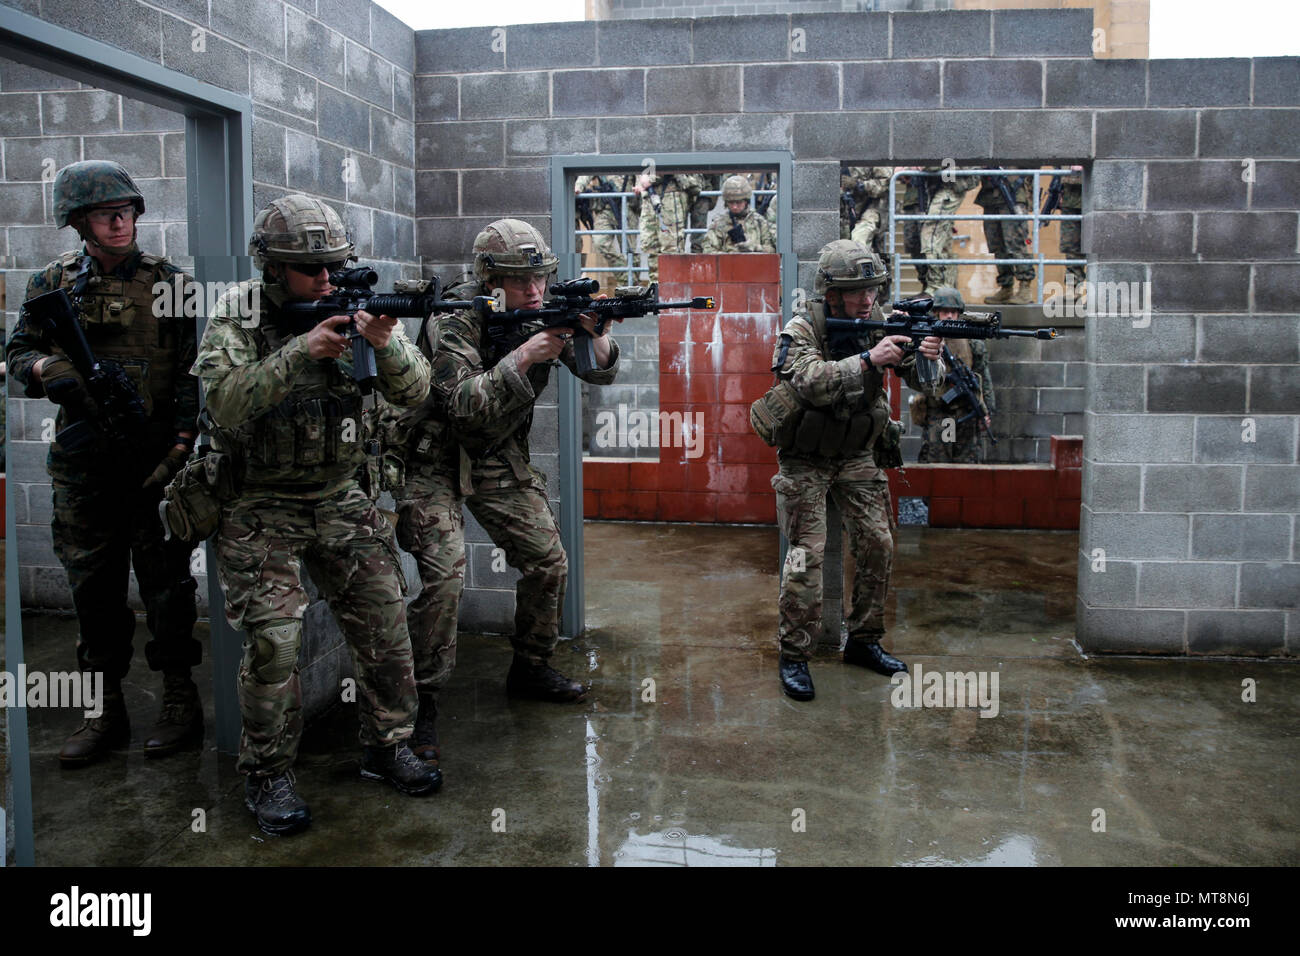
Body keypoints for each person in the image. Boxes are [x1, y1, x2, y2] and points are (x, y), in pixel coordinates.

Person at [193, 193, 438, 836]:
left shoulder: (358, 308)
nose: (329, 280)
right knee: (275, 643)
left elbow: (415, 394)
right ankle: (269, 772)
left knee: (387, 618)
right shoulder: (240, 314)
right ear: (275, 271)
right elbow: (222, 402)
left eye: (336, 266)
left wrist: (382, 344)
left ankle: (389, 744)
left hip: (339, 495)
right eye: (314, 271)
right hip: (259, 503)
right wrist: (303, 352)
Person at [386, 219, 622, 767]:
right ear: (490, 279)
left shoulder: (541, 309)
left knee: (549, 562)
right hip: (433, 460)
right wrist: (525, 355)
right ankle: (423, 703)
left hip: (495, 459)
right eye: (521, 282)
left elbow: (601, 376)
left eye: (540, 278)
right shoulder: (455, 318)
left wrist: (596, 335)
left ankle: (531, 665)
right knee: (445, 577)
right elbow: (459, 404)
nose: (535, 291)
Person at [7, 160, 203, 766]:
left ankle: (179, 699)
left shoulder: (173, 283)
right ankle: (103, 707)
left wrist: (178, 450)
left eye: (126, 211)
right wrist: (47, 370)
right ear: (79, 222)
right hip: (86, 463)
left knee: (167, 588)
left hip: (152, 459)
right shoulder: (52, 283)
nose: (119, 223)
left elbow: (196, 375)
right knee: (94, 590)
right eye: (103, 214)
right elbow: (16, 351)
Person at [766, 240, 943, 701]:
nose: (867, 299)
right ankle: (795, 654)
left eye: (872, 289)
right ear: (831, 291)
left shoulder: (880, 322)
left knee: (879, 544)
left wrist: (928, 355)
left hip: (858, 455)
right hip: (805, 456)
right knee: (807, 554)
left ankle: (864, 641)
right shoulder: (802, 327)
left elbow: (926, 384)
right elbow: (806, 381)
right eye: (856, 291)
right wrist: (868, 359)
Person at [912, 287, 994, 463]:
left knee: (967, 466)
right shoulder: (927, 340)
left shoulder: (972, 343)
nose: (949, 316)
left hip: (966, 413)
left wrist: (987, 411)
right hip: (938, 414)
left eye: (953, 312)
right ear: (936, 313)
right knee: (936, 464)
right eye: (944, 312)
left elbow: (983, 378)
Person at [910, 165, 979, 295]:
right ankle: (946, 287)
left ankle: (936, 286)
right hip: (942, 187)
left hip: (950, 187)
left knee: (930, 235)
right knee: (943, 241)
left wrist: (921, 166)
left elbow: (944, 159)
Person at [634, 171, 705, 282]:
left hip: (670, 197)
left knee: (671, 250)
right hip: (650, 198)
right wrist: (641, 183)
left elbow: (669, 162)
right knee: (650, 248)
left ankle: (672, 291)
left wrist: (650, 179)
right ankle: (656, 289)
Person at [977, 173, 1035, 305]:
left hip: (1013, 194)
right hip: (990, 196)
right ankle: (1006, 287)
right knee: (996, 244)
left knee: (1016, 242)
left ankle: (1025, 287)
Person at [575, 174, 636, 282]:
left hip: (626, 208)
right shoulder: (599, 158)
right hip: (604, 209)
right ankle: (625, 277)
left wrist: (640, 187)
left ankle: (633, 284)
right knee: (599, 242)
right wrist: (579, 187)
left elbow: (641, 176)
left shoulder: (629, 158)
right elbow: (586, 172)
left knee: (630, 251)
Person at [699, 175, 777, 254]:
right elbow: (708, 250)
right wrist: (730, 256)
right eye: (731, 202)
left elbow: (772, 250)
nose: (735, 207)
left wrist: (754, 247)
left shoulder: (759, 222)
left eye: (739, 202)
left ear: (746, 201)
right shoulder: (719, 223)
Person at [843, 166, 895, 255]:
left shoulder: (877, 155)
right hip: (846, 211)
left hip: (872, 209)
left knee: (859, 239)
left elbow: (883, 185)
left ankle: (863, 267)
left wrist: (858, 184)